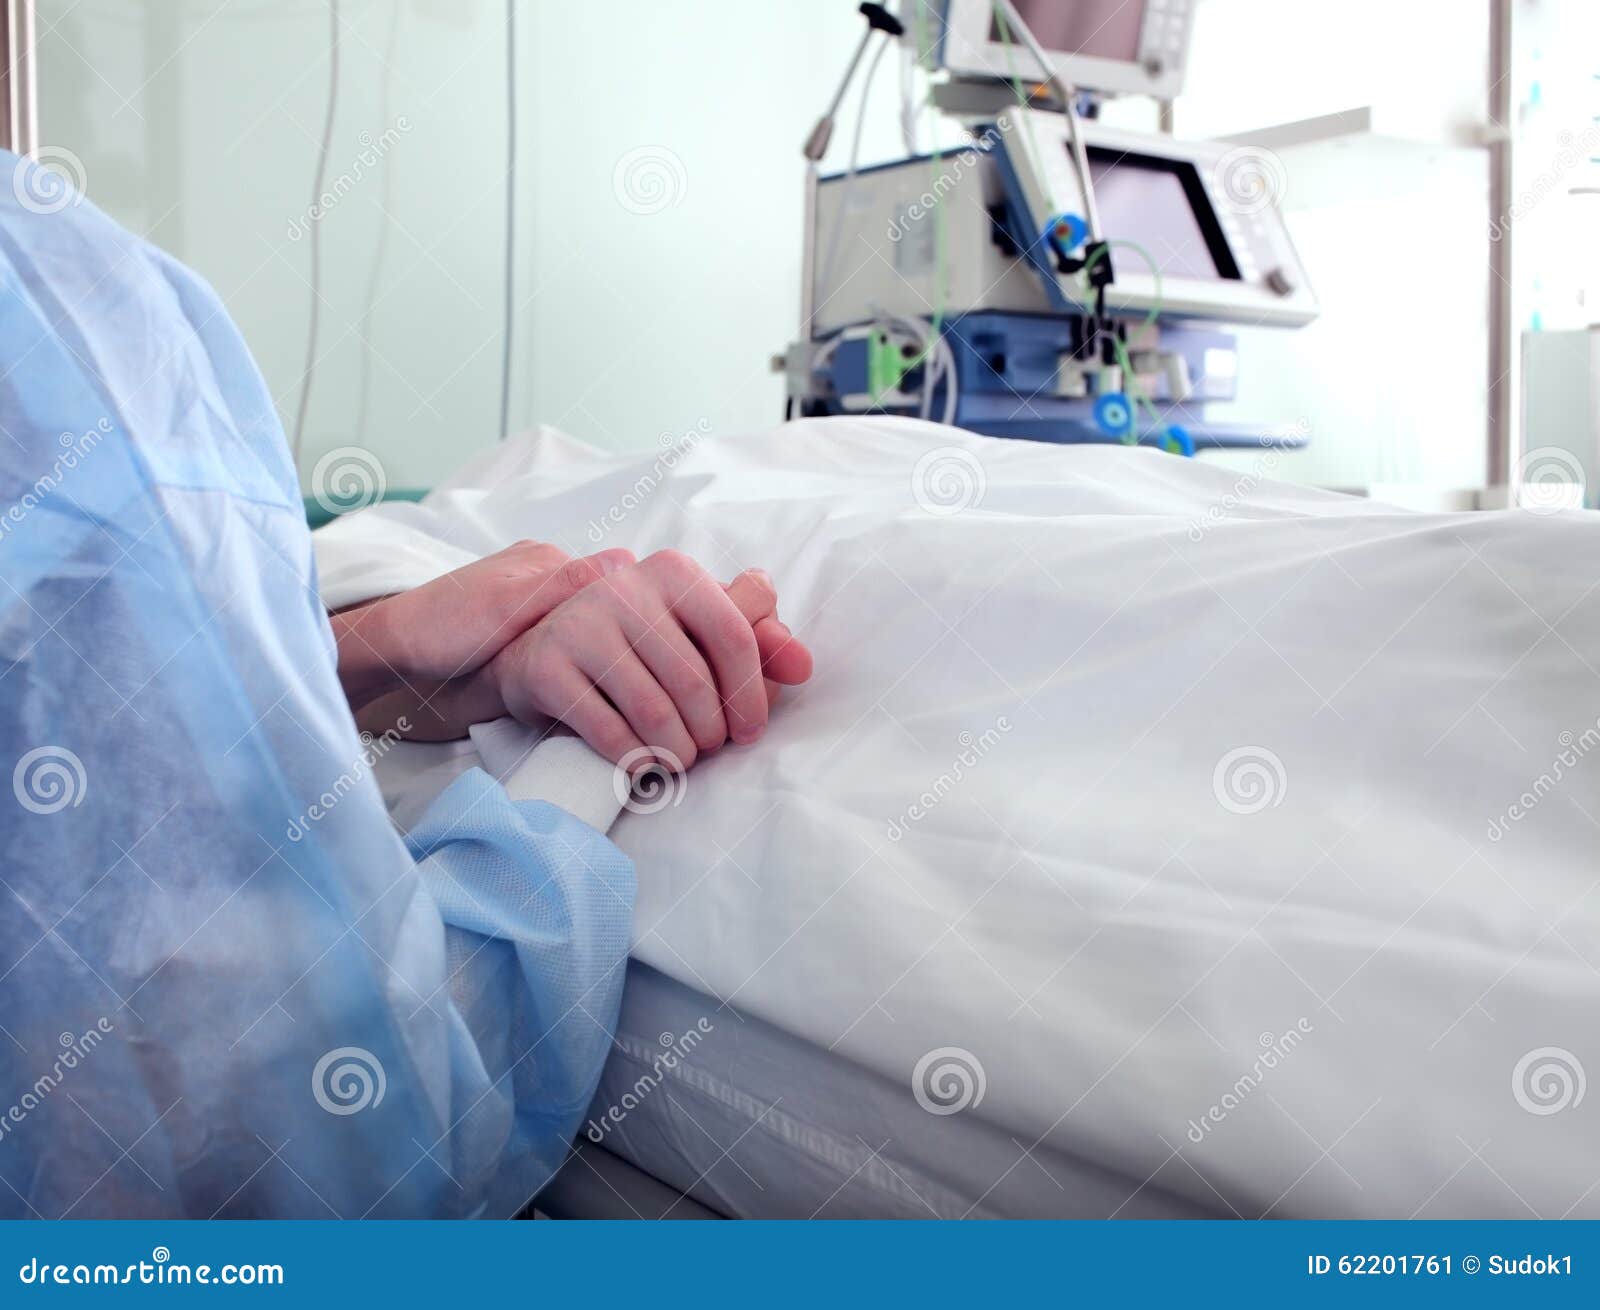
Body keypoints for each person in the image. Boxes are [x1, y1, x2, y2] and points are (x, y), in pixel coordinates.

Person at [0, 150, 809, 1218]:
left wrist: (375, 645)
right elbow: (334, 1149)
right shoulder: (53, 304)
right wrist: (583, 765)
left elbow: (81, 704)